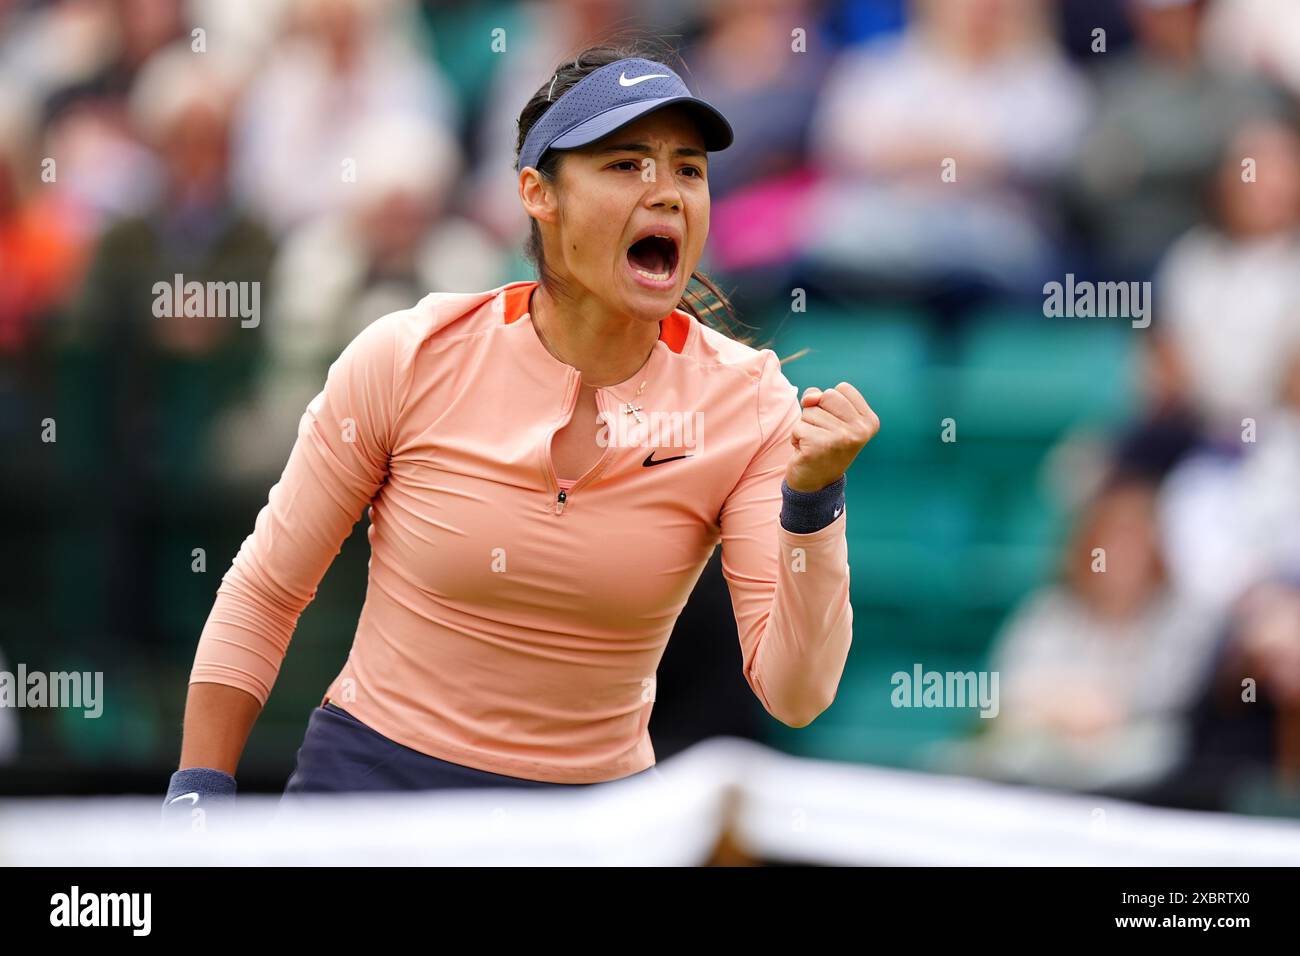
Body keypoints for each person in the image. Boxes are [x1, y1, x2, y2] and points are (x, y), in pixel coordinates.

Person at [162, 43, 879, 819]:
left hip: (590, 826)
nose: (667, 193)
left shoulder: (750, 404)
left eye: (688, 169)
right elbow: (266, 590)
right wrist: (197, 793)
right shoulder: (407, 356)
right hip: (370, 797)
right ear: (538, 194)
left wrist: (811, 506)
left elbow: (796, 693)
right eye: (625, 165)